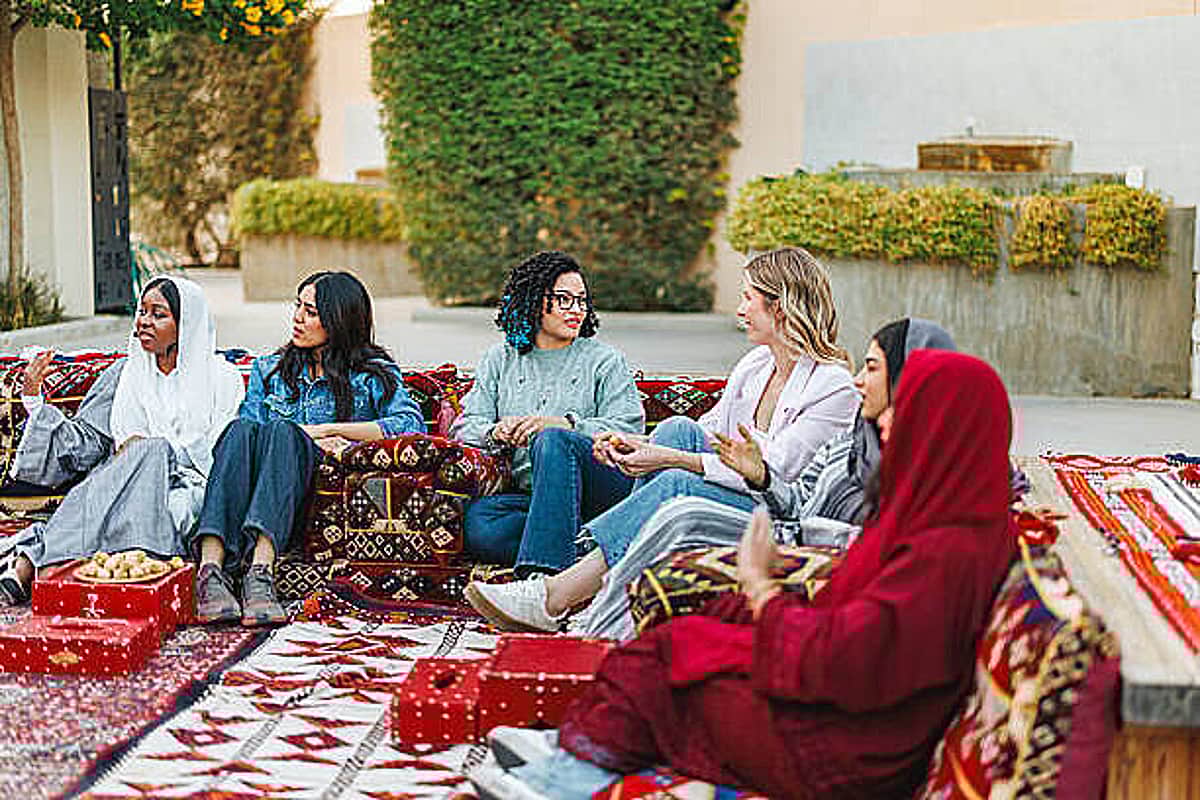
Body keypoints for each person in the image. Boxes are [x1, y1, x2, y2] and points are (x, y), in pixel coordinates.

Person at [471, 350, 1019, 800]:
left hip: (843, 747)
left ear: (942, 425)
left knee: (669, 671)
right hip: (838, 697)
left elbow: (846, 660)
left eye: (899, 413)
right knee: (682, 637)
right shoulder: (939, 511)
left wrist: (762, 590)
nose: (880, 420)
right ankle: (578, 749)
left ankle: (567, 778)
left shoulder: (947, 547)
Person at [466, 246, 859, 633]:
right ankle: (604, 563)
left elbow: (772, 474)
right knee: (677, 428)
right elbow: (705, 431)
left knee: (672, 482)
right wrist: (647, 448)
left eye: (747, 298)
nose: (739, 310)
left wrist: (660, 456)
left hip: (780, 511)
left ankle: (552, 593)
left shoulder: (830, 386)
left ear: (780, 306)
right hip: (553, 494)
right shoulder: (756, 365)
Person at [574, 317, 956, 640]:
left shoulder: (841, 394)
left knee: (683, 501)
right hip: (782, 521)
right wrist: (761, 478)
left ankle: (577, 601)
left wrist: (786, 520)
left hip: (808, 551)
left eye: (871, 368)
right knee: (677, 448)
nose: (858, 381)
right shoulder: (853, 441)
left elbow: (879, 540)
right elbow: (795, 495)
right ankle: (589, 609)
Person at [190, 270, 425, 627]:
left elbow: (411, 425)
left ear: (340, 319)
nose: (297, 318)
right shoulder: (269, 370)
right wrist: (306, 434)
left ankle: (261, 574)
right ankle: (210, 572)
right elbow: (248, 436)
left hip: (306, 499)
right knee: (239, 430)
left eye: (311, 311)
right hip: (254, 493)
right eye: (297, 306)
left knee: (285, 434)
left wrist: (327, 430)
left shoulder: (372, 375)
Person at [0, 276, 244, 606]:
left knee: (155, 462)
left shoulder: (222, 378)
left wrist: (158, 453)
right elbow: (93, 444)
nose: (144, 321)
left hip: (191, 484)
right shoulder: (125, 374)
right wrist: (34, 402)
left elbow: (221, 449)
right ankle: (55, 570)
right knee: (116, 478)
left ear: (185, 323)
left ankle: (34, 560)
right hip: (125, 477)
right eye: (141, 311)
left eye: (158, 314)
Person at [451, 251, 644, 576]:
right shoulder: (500, 360)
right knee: (481, 525)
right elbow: (464, 428)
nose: (576, 310)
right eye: (564, 299)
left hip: (599, 488)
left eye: (581, 301)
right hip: (535, 499)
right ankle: (587, 544)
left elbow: (628, 429)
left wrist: (565, 425)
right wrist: (495, 432)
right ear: (532, 300)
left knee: (553, 440)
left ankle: (541, 575)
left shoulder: (605, 361)